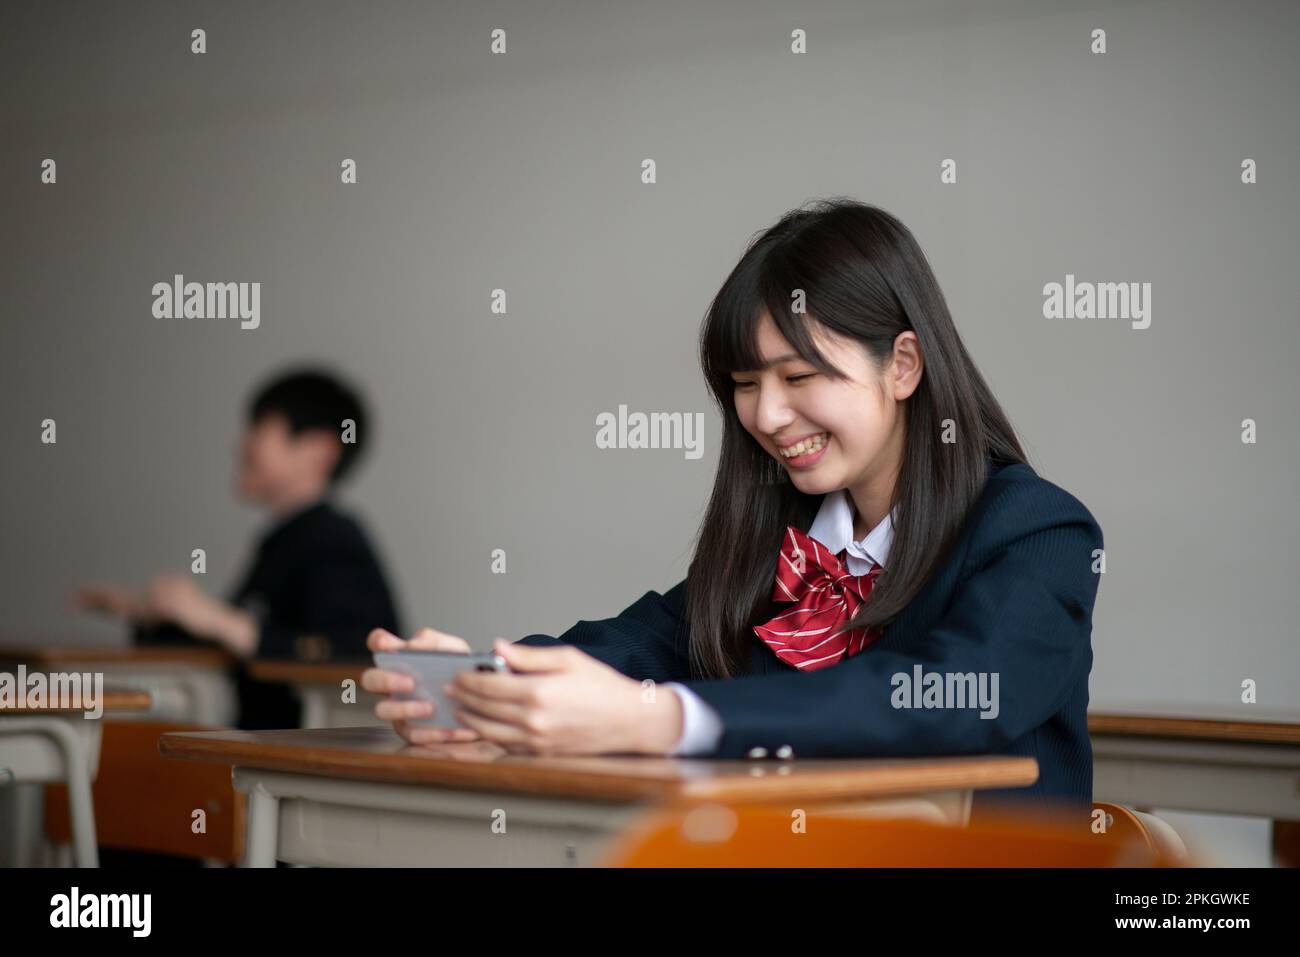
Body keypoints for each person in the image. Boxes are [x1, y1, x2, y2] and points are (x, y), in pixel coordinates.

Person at [362, 199, 1103, 815]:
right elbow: (642, 643)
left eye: (799, 374)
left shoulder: (1037, 531)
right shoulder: (782, 535)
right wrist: (487, 686)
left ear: (902, 365)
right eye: (745, 383)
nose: (769, 414)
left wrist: (663, 719)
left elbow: (945, 697)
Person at [74, 368, 402, 729]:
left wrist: (215, 618)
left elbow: (352, 650)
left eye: (260, 426)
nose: (241, 443)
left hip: (301, 770)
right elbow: (233, 641)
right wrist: (154, 614)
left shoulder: (336, 538)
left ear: (319, 450)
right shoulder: (282, 540)